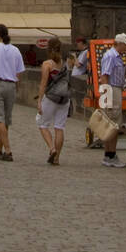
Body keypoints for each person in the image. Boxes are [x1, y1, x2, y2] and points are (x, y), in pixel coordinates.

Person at [0, 23, 24, 161]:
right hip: (11, 85)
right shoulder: (15, 50)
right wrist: (17, 86)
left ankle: (8, 150)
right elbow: (19, 72)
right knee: (6, 119)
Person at [97, 34, 126, 168]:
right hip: (112, 89)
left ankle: (110, 154)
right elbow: (104, 76)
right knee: (113, 124)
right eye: (125, 46)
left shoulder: (114, 56)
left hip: (115, 89)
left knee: (113, 124)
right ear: (120, 44)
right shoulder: (111, 56)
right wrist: (108, 98)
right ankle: (110, 155)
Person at [36, 37, 70, 166]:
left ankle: (52, 148)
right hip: (64, 98)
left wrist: (39, 100)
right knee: (59, 127)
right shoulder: (65, 63)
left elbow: (43, 84)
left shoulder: (47, 64)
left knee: (42, 123)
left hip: (51, 97)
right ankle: (57, 158)